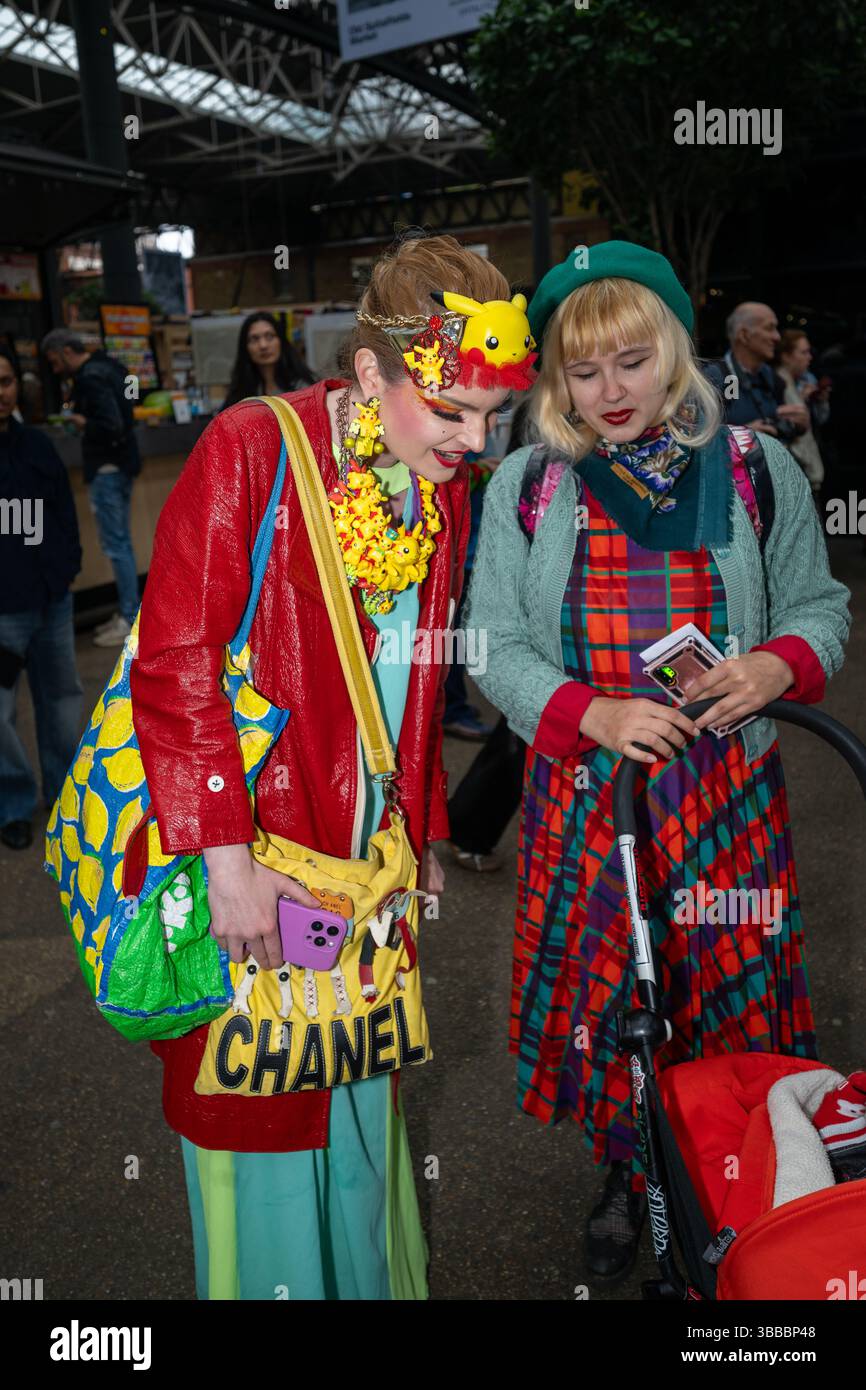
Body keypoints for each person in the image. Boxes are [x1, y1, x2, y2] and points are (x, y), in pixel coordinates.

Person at [128, 232, 536, 1300]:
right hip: (258, 854)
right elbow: (175, 660)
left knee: (354, 1095)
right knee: (259, 1108)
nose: (469, 439)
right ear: (369, 373)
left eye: (489, 417)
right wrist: (224, 861)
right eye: (448, 409)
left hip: (368, 867)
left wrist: (423, 827)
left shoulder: (436, 486)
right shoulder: (249, 447)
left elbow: (408, 678)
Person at [466, 241, 851, 1284]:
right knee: (613, 998)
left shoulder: (752, 466)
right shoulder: (527, 483)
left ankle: (734, 1162)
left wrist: (775, 666)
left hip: (725, 795)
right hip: (591, 795)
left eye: (630, 361)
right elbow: (489, 640)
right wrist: (587, 712)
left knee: (725, 988)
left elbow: (819, 606)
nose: (608, 392)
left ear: (675, 350)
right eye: (581, 371)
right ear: (553, 375)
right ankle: (625, 1167)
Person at [0, 347, 83, 850]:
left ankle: (65, 799)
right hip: (3, 611)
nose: (0, 390)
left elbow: (63, 515)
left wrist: (67, 568)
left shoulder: (37, 445)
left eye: (6, 380)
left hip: (52, 602)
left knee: (61, 705)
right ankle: (13, 803)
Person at [41, 327, 141, 647]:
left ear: (68, 353)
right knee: (121, 543)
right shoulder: (115, 366)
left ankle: (129, 617)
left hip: (107, 466)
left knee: (116, 545)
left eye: (55, 362)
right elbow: (131, 404)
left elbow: (111, 423)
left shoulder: (89, 377)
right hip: (125, 462)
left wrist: (83, 422)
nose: (56, 370)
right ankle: (129, 613)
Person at [705, 302, 809, 446]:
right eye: (769, 328)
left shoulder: (772, 379)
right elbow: (697, 439)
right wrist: (741, 437)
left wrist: (799, 425)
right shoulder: (718, 378)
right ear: (744, 335)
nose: (777, 337)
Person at [222, 311, 316, 410]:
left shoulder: (302, 388)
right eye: (254, 339)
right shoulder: (240, 391)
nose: (263, 345)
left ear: (281, 341)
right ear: (245, 347)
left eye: (269, 336)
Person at [774, 329, 828, 495]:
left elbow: (820, 420)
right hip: (796, 473)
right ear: (786, 356)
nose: (809, 357)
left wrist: (819, 401)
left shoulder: (806, 380)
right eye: (803, 352)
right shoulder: (777, 383)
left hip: (807, 471)